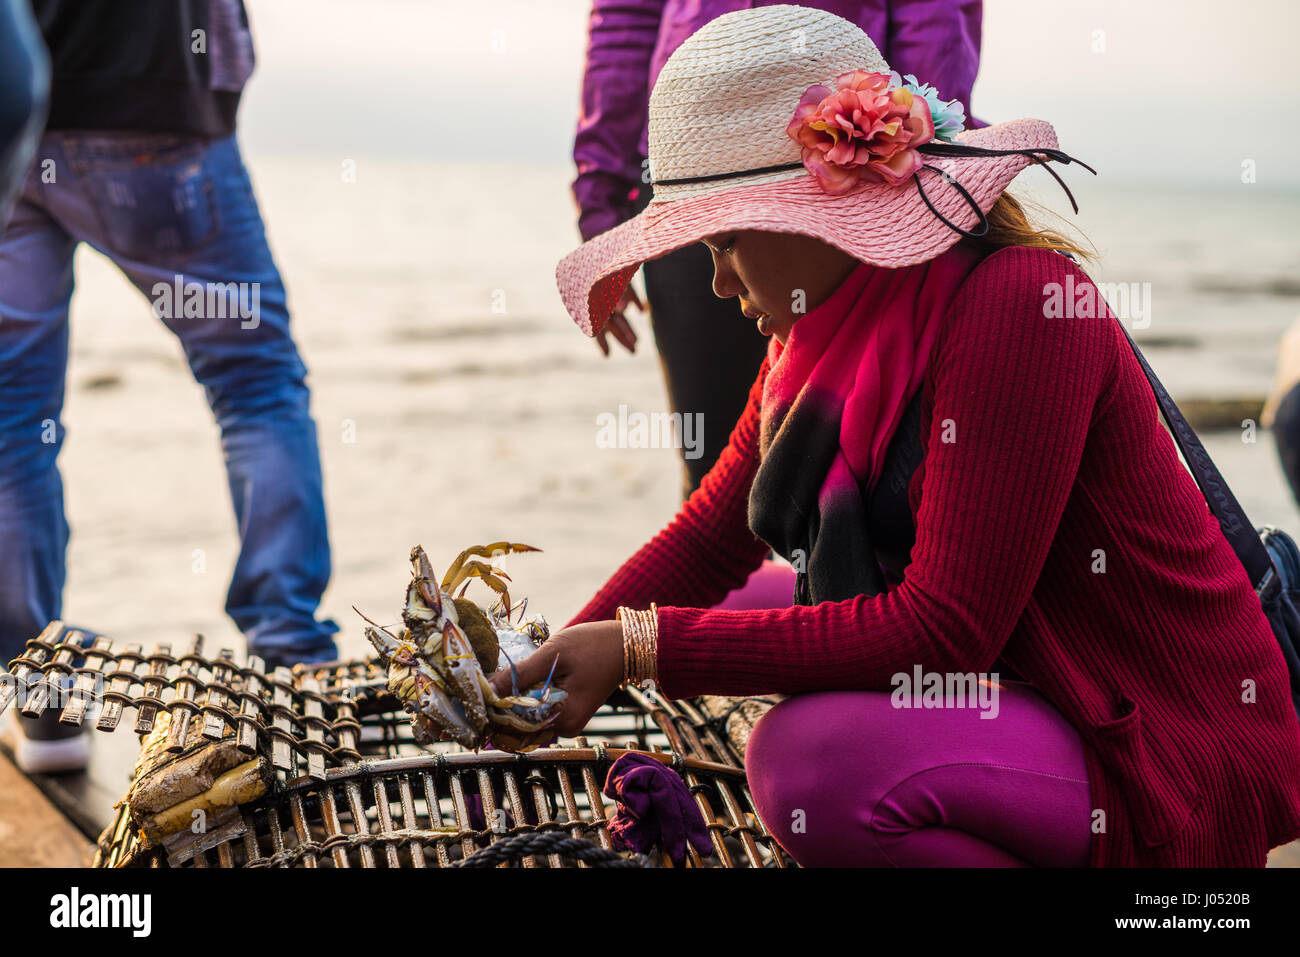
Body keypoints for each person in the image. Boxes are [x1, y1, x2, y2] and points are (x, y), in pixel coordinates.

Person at [494, 5, 1300, 866]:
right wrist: (542, 669)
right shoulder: (820, 336)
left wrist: (638, 647)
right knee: (731, 604)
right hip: (1034, 669)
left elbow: (945, 631)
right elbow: (709, 538)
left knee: (809, 764)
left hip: (1153, 725)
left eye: (727, 243)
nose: (721, 284)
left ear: (815, 215)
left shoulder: (1018, 306)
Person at [0, 0, 338, 773]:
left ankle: (42, 689)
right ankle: (292, 660)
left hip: (16, 111)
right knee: (256, 383)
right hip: (156, 104)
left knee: (13, 418)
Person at [573, 0, 985, 500]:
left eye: (722, 251)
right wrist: (603, 201)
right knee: (721, 477)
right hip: (693, 171)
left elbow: (933, 11)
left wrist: (906, 165)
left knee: (884, 470)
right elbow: (626, 15)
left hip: (850, 185)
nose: (721, 283)